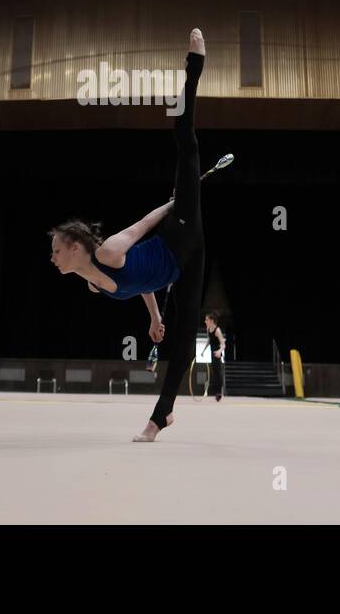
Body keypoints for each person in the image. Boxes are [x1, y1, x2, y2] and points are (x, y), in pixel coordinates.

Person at [49, 28, 207, 441]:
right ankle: (164, 417)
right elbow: (141, 281)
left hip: (180, 233)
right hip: (183, 268)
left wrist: (174, 205)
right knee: (184, 344)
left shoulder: (108, 252)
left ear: (76, 247)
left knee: (183, 139)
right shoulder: (92, 282)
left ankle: (195, 67)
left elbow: (141, 228)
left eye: (57, 251)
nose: (53, 259)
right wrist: (154, 317)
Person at [205, 311, 225, 401]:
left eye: (207, 320)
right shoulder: (208, 329)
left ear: (212, 320)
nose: (205, 321)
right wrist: (203, 351)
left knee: (218, 373)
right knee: (215, 373)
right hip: (212, 354)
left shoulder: (217, 330)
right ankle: (217, 393)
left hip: (217, 354)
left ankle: (219, 393)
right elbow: (209, 340)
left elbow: (223, 344)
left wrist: (219, 351)